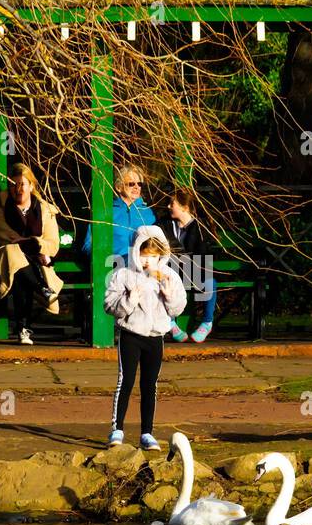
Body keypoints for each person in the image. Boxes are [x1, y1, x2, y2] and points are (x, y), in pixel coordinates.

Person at [104, 225, 187, 450]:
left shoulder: (169, 276)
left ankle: (147, 433)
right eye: (144, 254)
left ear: (161, 254)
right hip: (131, 334)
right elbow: (109, 305)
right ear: (136, 251)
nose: (148, 260)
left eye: (153, 255)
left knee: (149, 384)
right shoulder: (123, 274)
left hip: (156, 336)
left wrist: (169, 297)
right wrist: (130, 299)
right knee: (126, 381)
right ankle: (117, 429)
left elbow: (178, 307)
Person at [0, 163, 64, 345]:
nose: (18, 189)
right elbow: (4, 237)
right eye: (13, 184)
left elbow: (53, 244)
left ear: (31, 186)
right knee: (12, 252)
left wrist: (35, 243)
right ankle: (42, 290)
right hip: (6, 261)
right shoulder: (0, 209)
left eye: (22, 184)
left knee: (22, 275)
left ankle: (23, 329)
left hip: (35, 262)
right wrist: (31, 243)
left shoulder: (45, 210)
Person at [159, 185, 217, 343]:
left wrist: (183, 258)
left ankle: (206, 322)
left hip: (196, 271)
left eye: (173, 203)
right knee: (162, 281)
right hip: (172, 271)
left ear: (185, 207)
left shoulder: (201, 226)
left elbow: (202, 255)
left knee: (209, 281)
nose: (168, 206)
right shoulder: (164, 223)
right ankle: (170, 323)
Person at [81, 164, 155, 260]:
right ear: (118, 187)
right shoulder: (106, 212)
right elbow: (88, 245)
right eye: (131, 184)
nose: (137, 187)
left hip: (141, 270)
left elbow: (157, 247)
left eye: (139, 184)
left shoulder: (148, 213)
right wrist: (104, 260)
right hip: (112, 268)